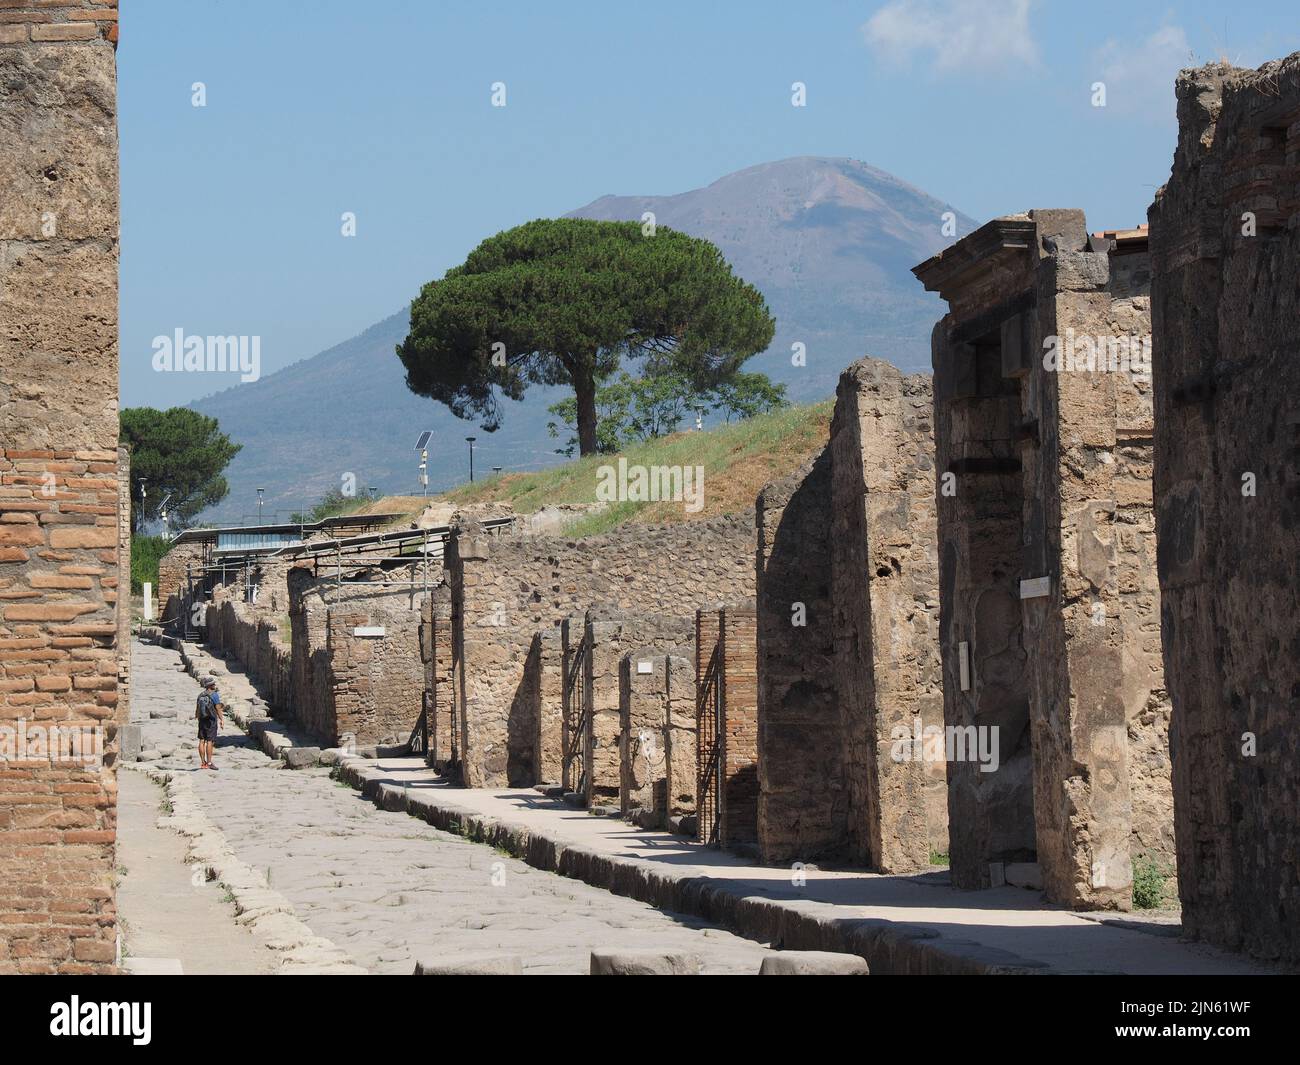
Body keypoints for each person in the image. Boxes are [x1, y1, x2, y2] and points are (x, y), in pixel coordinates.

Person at [195, 675, 224, 770]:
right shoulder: (214, 695)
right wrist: (221, 719)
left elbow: (197, 710)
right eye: (213, 684)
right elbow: (218, 708)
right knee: (210, 741)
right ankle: (210, 762)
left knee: (201, 741)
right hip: (211, 720)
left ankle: (203, 763)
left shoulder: (200, 695)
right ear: (210, 685)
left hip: (202, 720)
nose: (214, 685)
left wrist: (198, 718)